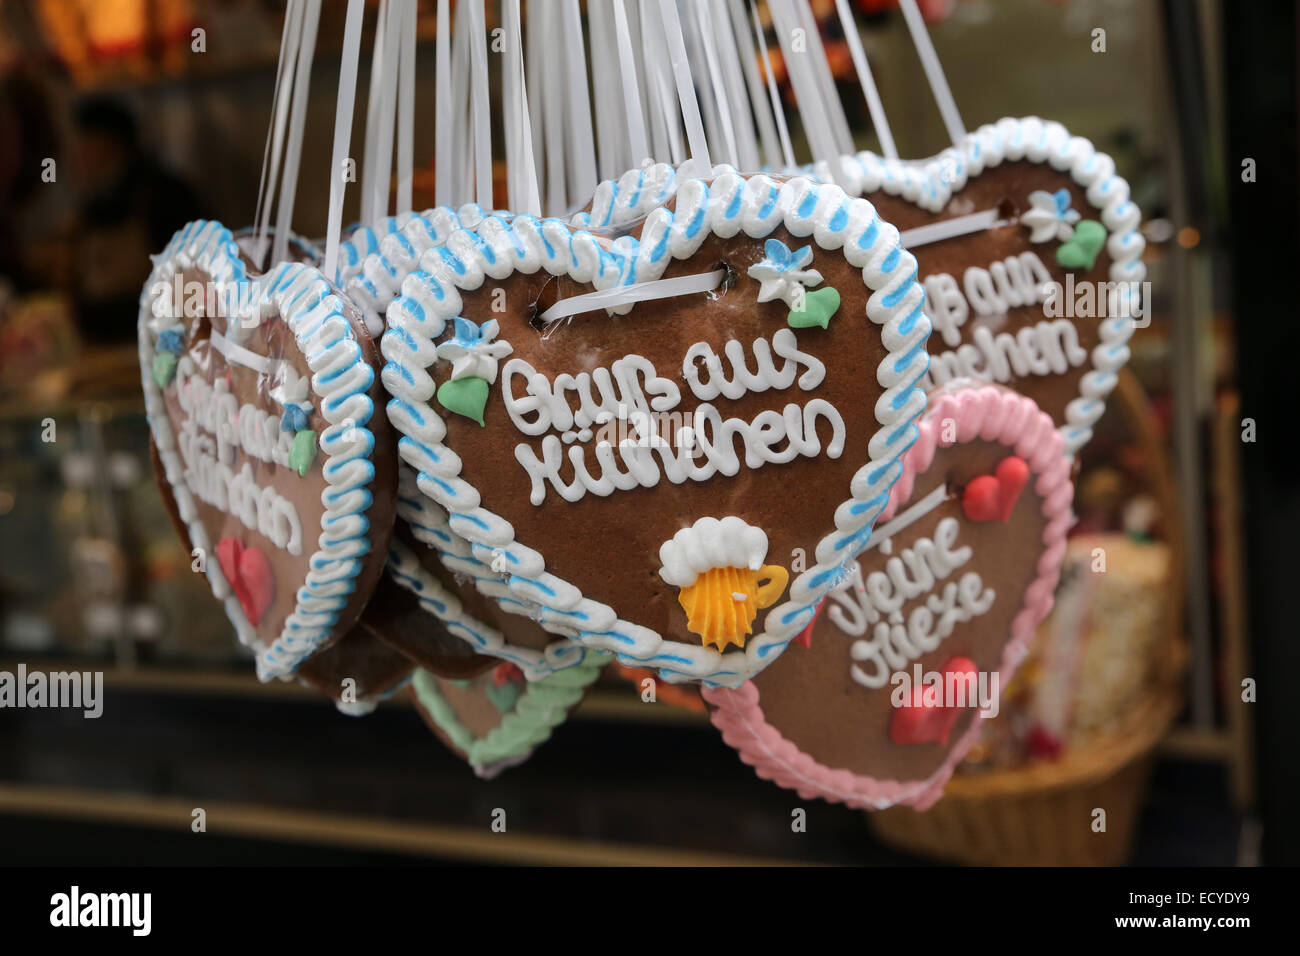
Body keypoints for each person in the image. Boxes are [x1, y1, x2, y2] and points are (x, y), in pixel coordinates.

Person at [71, 95, 207, 344]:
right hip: (104, 343)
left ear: (112, 143)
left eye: (86, 143)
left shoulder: (164, 194)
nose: (79, 155)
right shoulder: (92, 204)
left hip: (159, 340)